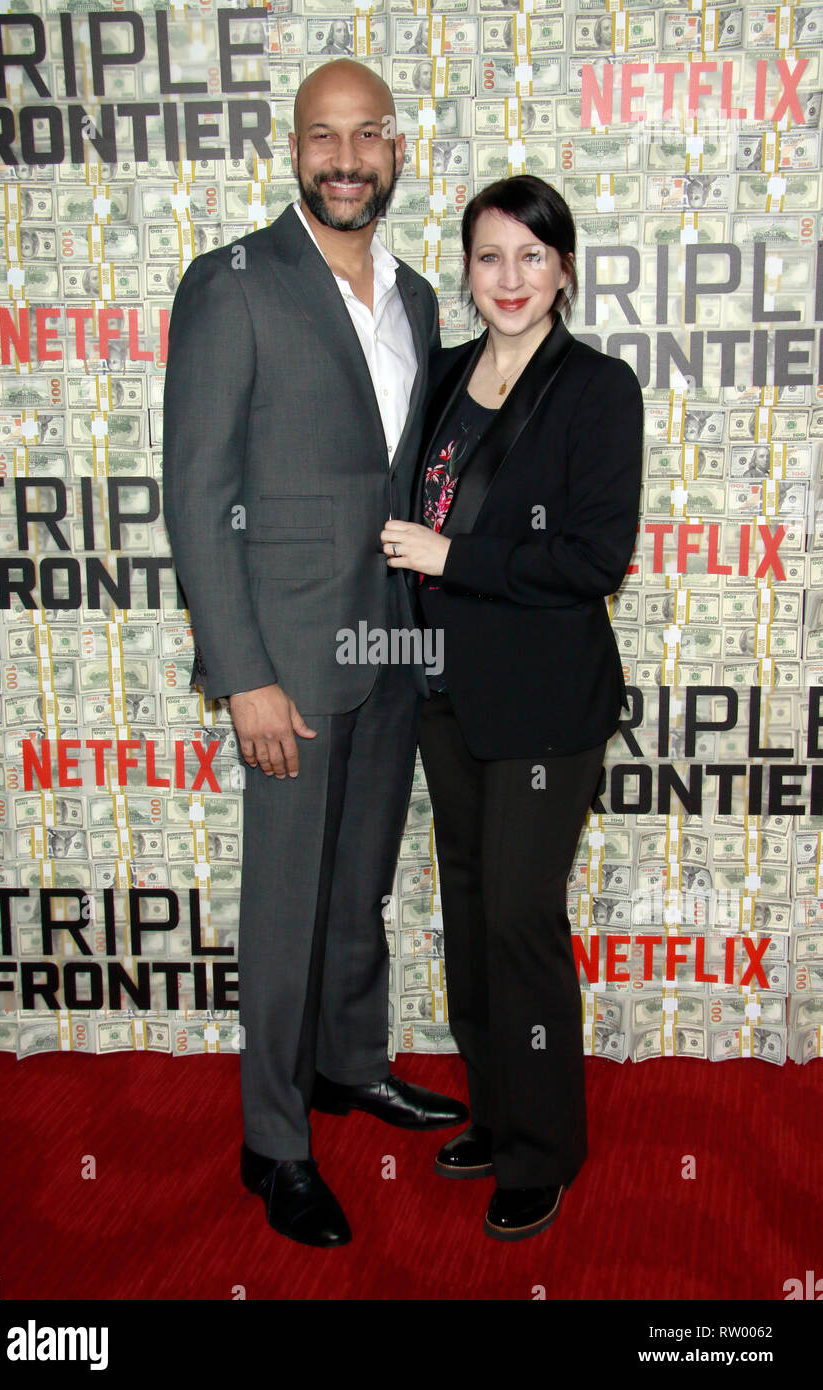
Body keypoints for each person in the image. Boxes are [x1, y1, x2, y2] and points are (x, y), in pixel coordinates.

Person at [162, 59, 467, 1250]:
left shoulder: (420, 297)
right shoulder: (230, 283)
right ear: (292, 150)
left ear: (395, 146)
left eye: (365, 136)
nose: (345, 159)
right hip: (284, 657)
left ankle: (349, 1065)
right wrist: (241, 673)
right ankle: (273, 1141)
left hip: (387, 641)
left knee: (360, 889)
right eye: (320, 138)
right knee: (287, 907)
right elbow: (197, 495)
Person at [381, 175, 644, 1240]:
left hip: (545, 708)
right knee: (469, 913)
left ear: (564, 270)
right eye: (490, 257)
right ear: (467, 269)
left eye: (531, 257)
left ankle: (543, 1146)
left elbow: (591, 557)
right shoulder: (441, 376)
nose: (509, 278)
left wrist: (457, 556)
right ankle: (496, 1112)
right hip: (445, 694)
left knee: (520, 919)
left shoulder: (595, 388)